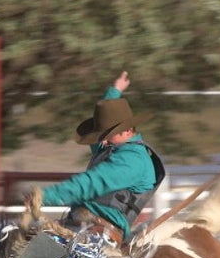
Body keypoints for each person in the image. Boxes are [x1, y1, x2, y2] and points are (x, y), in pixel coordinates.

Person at [37, 70, 165, 243]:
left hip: (100, 236)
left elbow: (91, 183)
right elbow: (106, 112)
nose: (101, 139)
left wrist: (44, 197)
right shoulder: (114, 146)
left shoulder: (133, 161)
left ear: (127, 130)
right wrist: (114, 90)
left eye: (107, 133)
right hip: (84, 226)